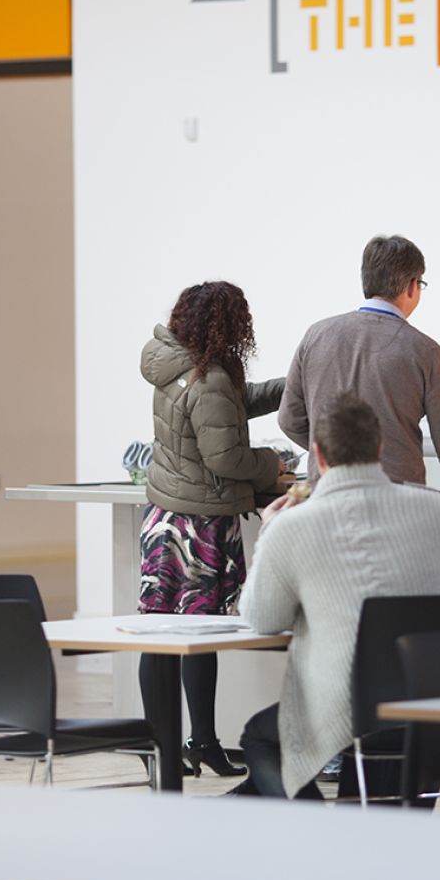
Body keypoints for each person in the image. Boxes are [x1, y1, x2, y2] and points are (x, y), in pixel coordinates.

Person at [236, 392, 440, 799]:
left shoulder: (293, 526)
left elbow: (262, 618)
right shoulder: (435, 511)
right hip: (432, 701)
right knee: (383, 736)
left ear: (318, 454)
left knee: (261, 739)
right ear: (380, 446)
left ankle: (324, 836)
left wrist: (268, 532)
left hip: (344, 710)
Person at [139, 280, 287, 777]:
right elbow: (226, 456)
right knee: (197, 637)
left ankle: (166, 748)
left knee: (159, 633)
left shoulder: (175, 368)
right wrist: (274, 464)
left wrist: (293, 383)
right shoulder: (209, 379)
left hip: (165, 519)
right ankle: (200, 740)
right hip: (199, 526)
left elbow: (231, 407)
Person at [278, 234, 440, 492]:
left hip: (327, 492)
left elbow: (289, 419)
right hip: (398, 497)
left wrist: (337, 452)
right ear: (411, 286)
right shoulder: (426, 351)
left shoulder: (315, 336)